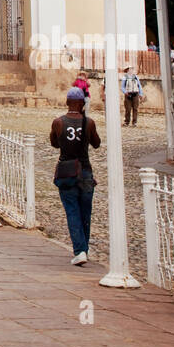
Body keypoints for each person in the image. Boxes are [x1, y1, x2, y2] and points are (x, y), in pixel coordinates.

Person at [49, 87, 101, 266]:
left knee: (72, 211)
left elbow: (54, 144)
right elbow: (96, 143)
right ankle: (83, 249)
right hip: (85, 171)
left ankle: (80, 251)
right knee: (85, 212)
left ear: (66, 102)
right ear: (82, 104)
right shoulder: (89, 123)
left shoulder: (58, 122)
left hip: (67, 171)